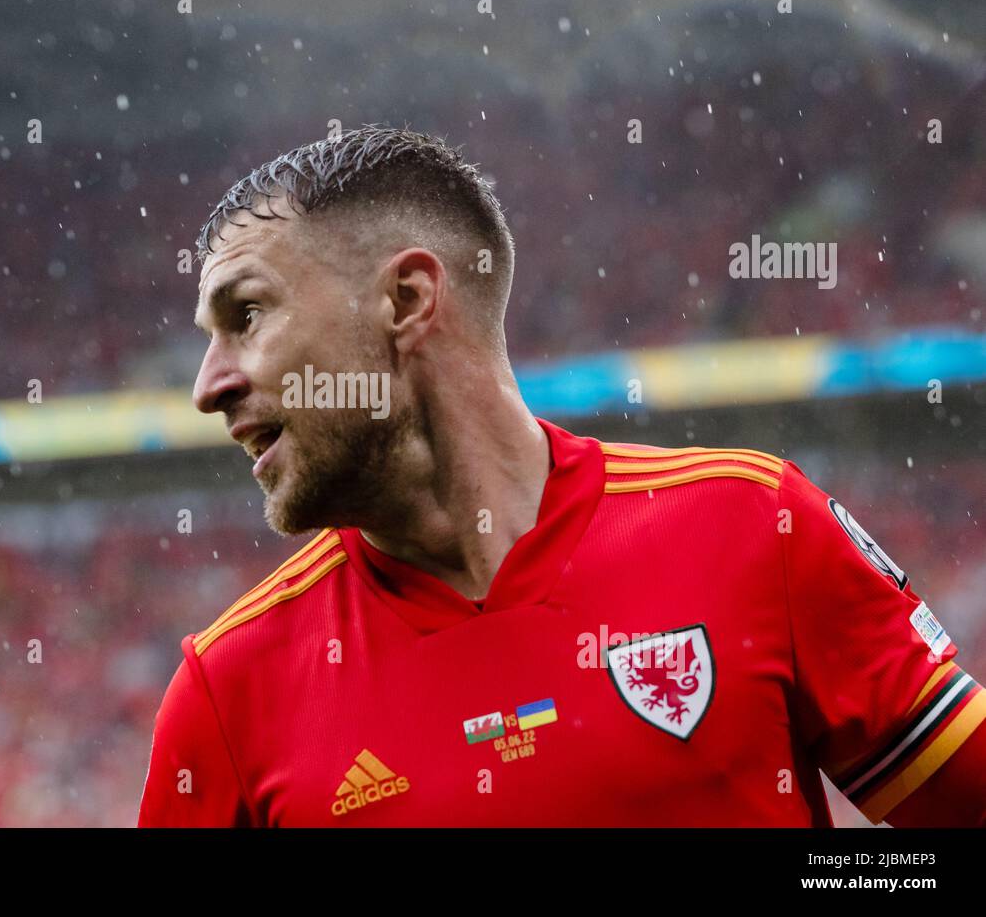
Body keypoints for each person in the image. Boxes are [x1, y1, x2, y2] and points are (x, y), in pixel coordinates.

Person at [138, 125, 984, 826]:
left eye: (245, 315)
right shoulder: (226, 694)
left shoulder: (754, 523)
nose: (208, 385)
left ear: (403, 302)